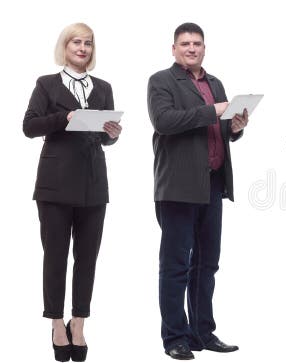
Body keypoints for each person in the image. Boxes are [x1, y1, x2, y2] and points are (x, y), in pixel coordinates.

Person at [147, 22, 248, 360]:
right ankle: (175, 337)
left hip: (213, 184)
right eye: (185, 43)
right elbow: (164, 121)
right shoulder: (161, 81)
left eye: (197, 44)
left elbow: (219, 128)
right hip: (178, 186)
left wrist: (234, 127)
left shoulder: (214, 83)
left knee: (207, 264)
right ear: (174, 49)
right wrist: (214, 111)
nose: (192, 48)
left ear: (204, 48)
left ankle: (202, 332)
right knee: (176, 265)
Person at [23, 22, 122, 362]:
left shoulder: (103, 87)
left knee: (87, 257)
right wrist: (64, 116)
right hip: (55, 183)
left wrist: (112, 133)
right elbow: (29, 126)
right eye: (76, 42)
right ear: (64, 47)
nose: (82, 48)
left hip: (93, 184)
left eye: (88, 43)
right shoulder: (46, 84)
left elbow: (104, 138)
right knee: (55, 256)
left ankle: (78, 321)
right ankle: (56, 323)